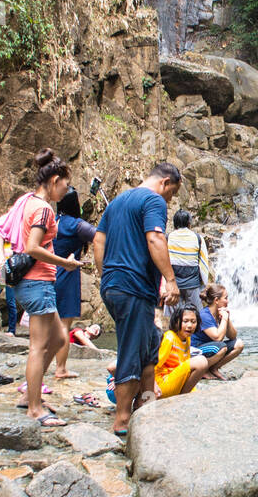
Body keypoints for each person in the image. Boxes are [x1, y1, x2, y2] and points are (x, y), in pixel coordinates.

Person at [92, 161, 183, 436]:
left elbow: (98, 240)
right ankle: (122, 421)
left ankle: (146, 407)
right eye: (172, 194)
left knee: (149, 347)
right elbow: (155, 238)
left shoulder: (117, 202)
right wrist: (170, 279)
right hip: (133, 287)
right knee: (132, 351)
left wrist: (106, 274)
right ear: (165, 183)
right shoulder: (153, 200)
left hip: (115, 285)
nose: (169, 200)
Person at [12, 151, 82, 427]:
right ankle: (33, 408)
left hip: (35, 283)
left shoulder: (27, 202)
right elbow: (32, 247)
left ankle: (31, 397)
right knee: (39, 347)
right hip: (37, 282)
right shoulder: (42, 209)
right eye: (65, 185)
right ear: (54, 181)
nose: (66, 191)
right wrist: (64, 262)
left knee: (59, 339)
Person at [51, 186, 97, 380]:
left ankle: (43, 365)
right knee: (64, 324)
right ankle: (60, 368)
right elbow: (100, 236)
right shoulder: (75, 225)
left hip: (48, 273)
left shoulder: (53, 221)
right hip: (67, 274)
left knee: (47, 324)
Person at [191, 282, 245, 379]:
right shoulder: (204, 315)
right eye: (225, 298)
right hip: (196, 350)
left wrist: (227, 319)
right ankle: (203, 369)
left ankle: (214, 368)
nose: (227, 301)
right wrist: (224, 318)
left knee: (239, 344)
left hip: (211, 347)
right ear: (216, 300)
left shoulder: (219, 313)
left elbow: (233, 336)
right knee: (222, 347)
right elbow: (217, 338)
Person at [156, 305, 210, 398]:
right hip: (162, 384)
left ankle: (183, 395)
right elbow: (155, 365)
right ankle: (182, 397)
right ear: (176, 321)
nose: (189, 326)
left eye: (193, 322)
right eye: (185, 321)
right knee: (201, 361)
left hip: (176, 381)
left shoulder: (187, 339)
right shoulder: (170, 337)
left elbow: (184, 365)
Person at [167, 209, 212, 317]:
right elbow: (203, 262)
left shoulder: (168, 237)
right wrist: (203, 283)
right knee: (196, 315)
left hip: (174, 284)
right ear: (189, 223)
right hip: (192, 283)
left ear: (175, 223)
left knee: (175, 317)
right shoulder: (197, 238)